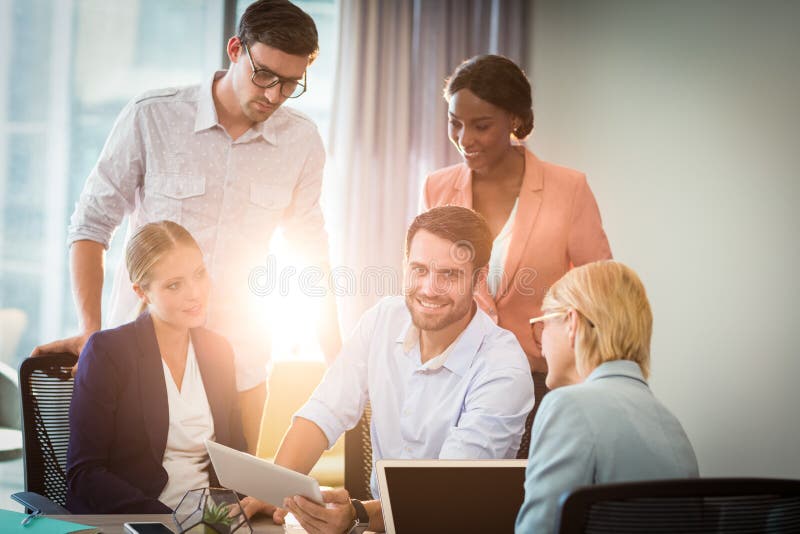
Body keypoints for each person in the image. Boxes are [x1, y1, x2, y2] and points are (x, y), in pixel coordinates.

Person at [31, 0, 342, 451]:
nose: (274, 95)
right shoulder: (152, 116)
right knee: (127, 502)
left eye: (291, 83)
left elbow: (312, 254)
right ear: (236, 49)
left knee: (230, 507)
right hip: (140, 360)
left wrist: (338, 358)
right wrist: (90, 330)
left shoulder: (302, 141)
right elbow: (90, 226)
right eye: (265, 75)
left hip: (242, 367)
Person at [241, 206, 535, 532]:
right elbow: (324, 411)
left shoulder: (503, 367)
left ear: (479, 279)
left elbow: (449, 491)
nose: (429, 288)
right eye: (419, 270)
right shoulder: (383, 319)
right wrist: (278, 486)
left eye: (449, 275)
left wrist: (357, 513)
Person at [420, 54, 612, 454]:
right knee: (461, 502)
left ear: (514, 120)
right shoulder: (436, 189)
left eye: (481, 125)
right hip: (462, 380)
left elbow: (601, 293)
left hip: (543, 380)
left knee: (525, 503)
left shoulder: (568, 188)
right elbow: (427, 280)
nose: (464, 138)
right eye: (455, 122)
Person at [66, 221, 246, 513]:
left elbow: (236, 453)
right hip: (143, 521)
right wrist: (168, 522)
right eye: (174, 285)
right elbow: (85, 474)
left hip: (212, 522)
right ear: (141, 292)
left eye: (199, 275)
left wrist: (252, 504)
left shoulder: (218, 351)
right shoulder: (108, 352)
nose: (195, 293)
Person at [515, 261, 699, 533]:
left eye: (542, 325)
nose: (540, 348)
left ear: (572, 323)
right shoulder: (671, 425)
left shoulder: (567, 407)